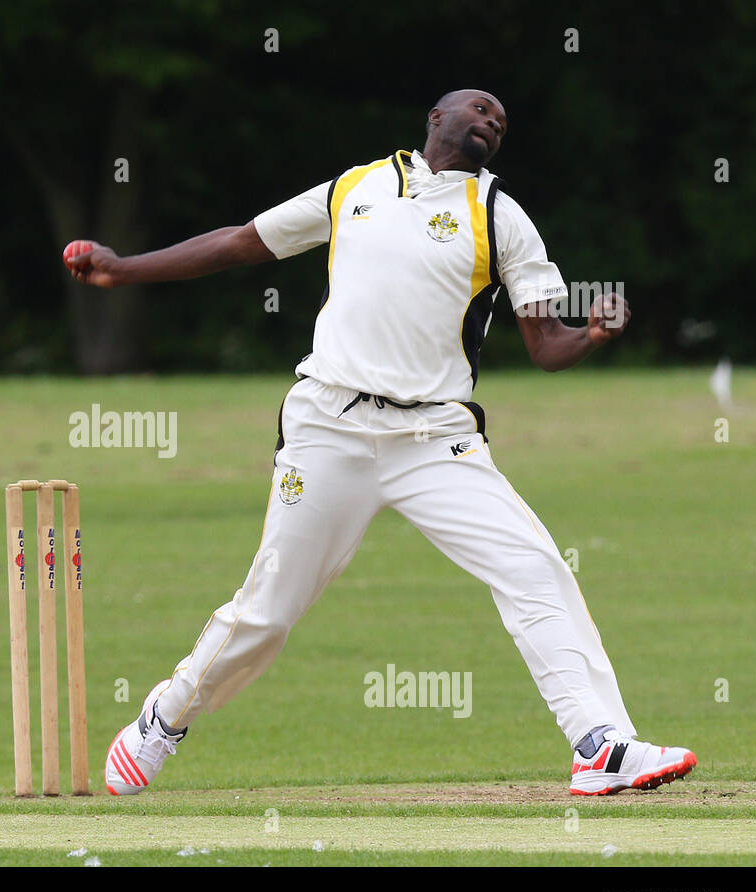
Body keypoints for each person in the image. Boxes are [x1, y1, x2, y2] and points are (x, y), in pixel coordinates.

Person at [66, 89, 697, 798]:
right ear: (435, 119)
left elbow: (546, 344)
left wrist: (594, 334)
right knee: (269, 608)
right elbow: (244, 241)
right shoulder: (356, 187)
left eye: (502, 120)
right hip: (329, 427)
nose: (491, 120)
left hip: (434, 438)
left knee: (534, 567)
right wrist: (123, 268)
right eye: (479, 108)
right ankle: (165, 716)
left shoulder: (500, 216)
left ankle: (600, 745)